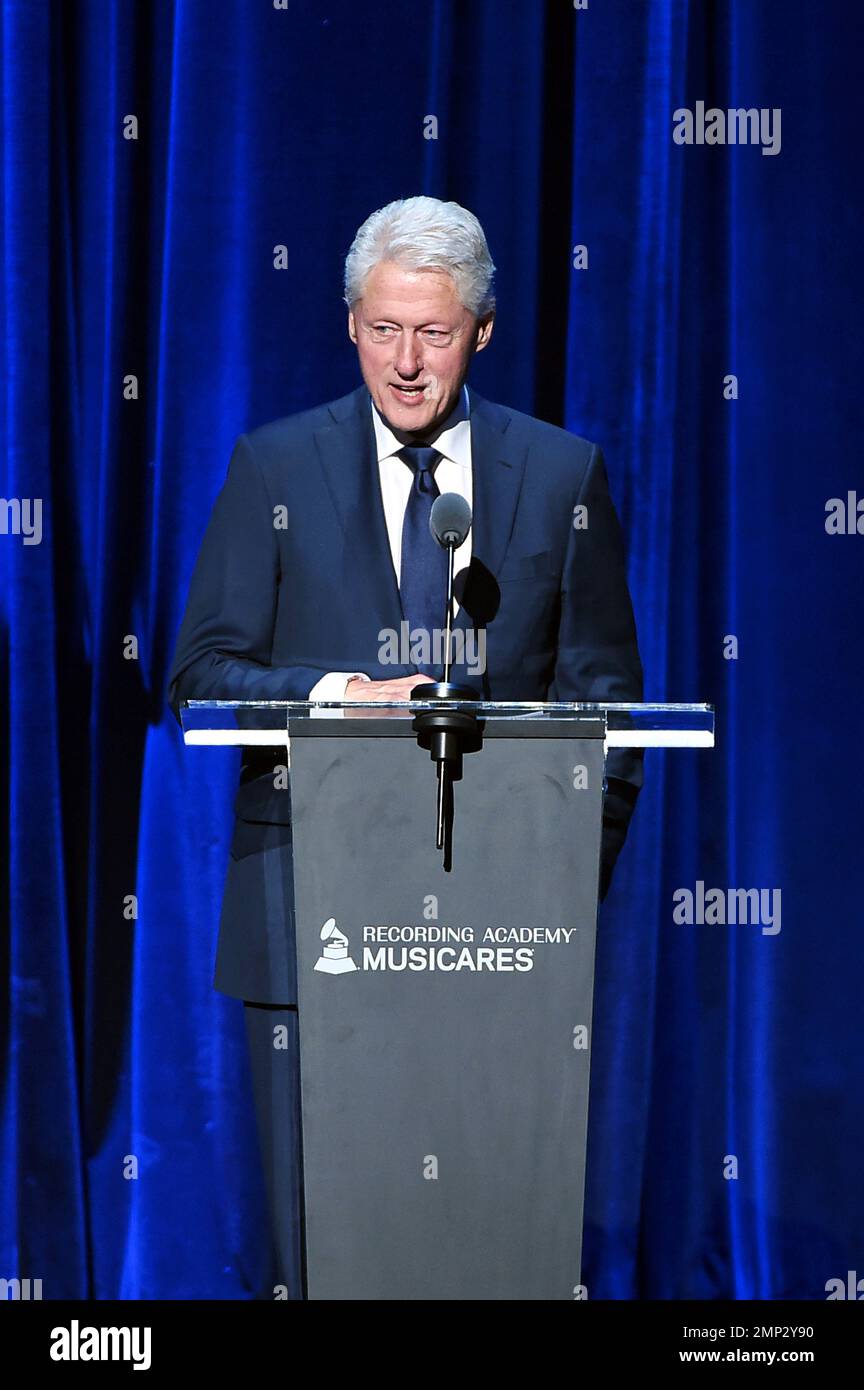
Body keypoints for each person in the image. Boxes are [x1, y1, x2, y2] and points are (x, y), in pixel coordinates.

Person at [167, 195, 643, 1298]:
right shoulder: (275, 467)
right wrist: (342, 694)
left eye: (433, 332)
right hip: (311, 929)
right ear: (349, 326)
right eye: (384, 328)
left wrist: (555, 889)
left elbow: (608, 713)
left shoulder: (562, 476)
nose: (407, 362)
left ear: (481, 330)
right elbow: (200, 675)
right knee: (323, 1249)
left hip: (499, 937)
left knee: (478, 1254)